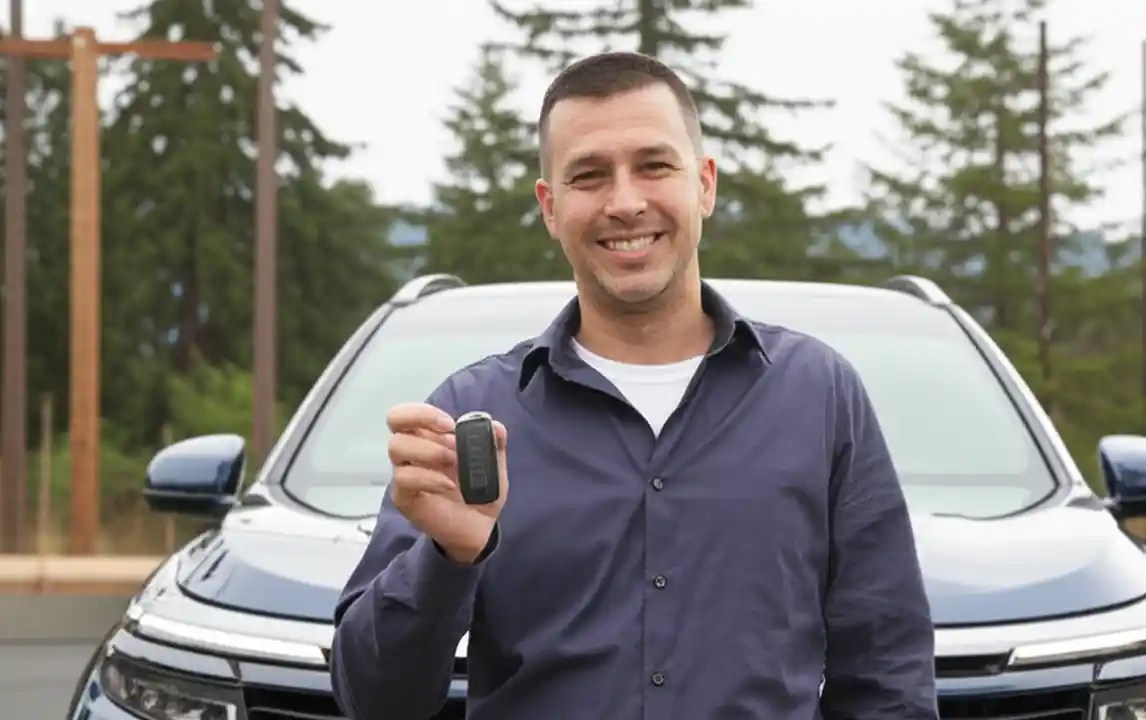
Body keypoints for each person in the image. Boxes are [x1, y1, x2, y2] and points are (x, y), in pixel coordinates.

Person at [329, 51, 938, 719]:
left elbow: (888, 681)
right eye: (589, 176)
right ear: (550, 206)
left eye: (654, 166)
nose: (625, 202)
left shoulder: (820, 397)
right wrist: (449, 556)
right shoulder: (467, 419)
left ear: (704, 183)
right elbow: (373, 701)